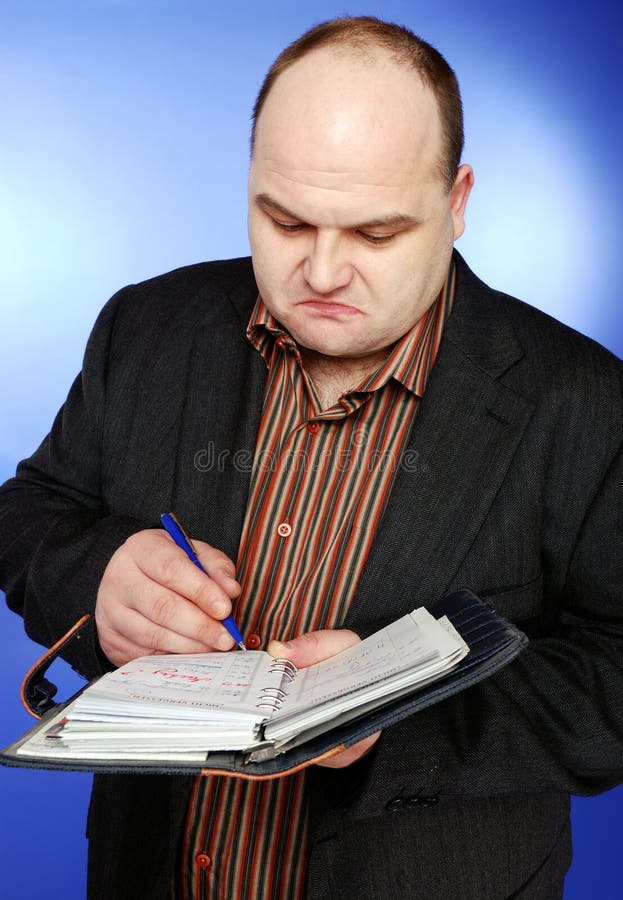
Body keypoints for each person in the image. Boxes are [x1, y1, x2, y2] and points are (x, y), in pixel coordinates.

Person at [1, 14, 622, 900]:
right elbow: (28, 511)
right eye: (285, 219)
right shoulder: (143, 328)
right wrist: (98, 577)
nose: (322, 272)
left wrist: (391, 713)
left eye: (374, 234)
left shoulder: (587, 402)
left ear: (457, 201)